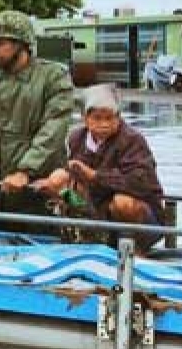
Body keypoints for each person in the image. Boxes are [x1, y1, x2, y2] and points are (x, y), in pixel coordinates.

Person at [0, 10, 75, 234]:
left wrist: (25, 170)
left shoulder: (53, 78)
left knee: (42, 250)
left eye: (0, 44)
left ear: (22, 44)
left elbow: (53, 129)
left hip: (39, 183)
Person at [38, 84, 166, 251]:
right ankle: (87, 237)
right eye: (97, 118)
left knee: (122, 203)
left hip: (143, 218)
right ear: (86, 119)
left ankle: (137, 250)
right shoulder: (76, 138)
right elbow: (70, 172)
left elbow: (141, 182)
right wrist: (53, 184)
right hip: (96, 208)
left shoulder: (133, 140)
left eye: (109, 118)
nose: (104, 124)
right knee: (58, 180)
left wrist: (94, 176)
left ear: (118, 118)